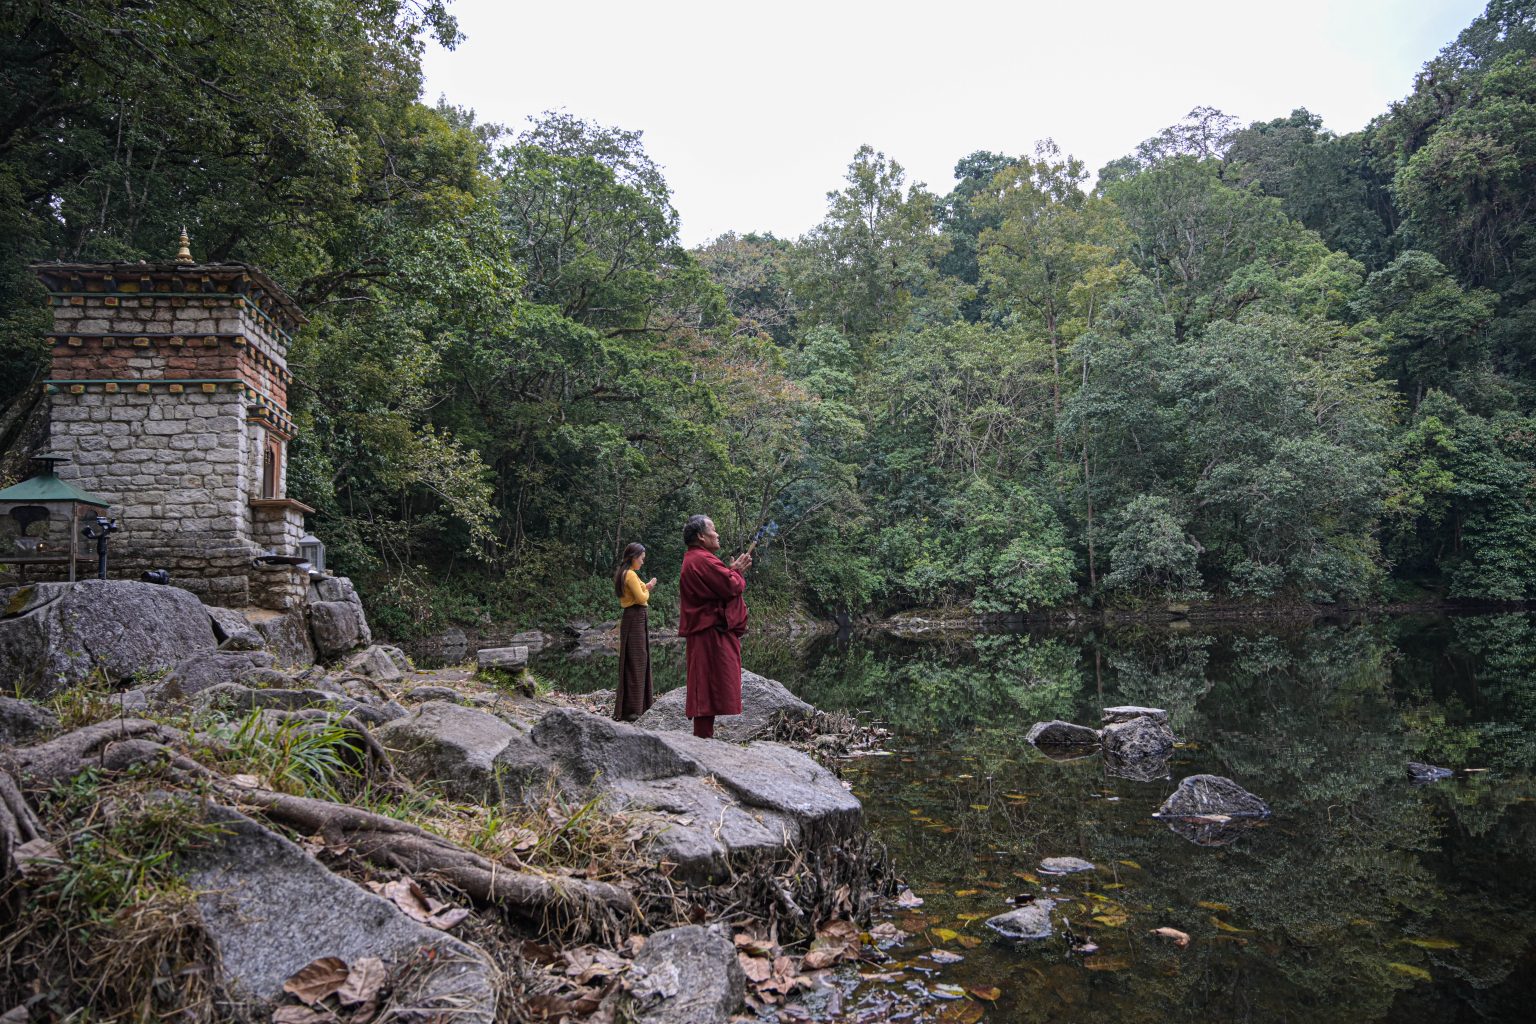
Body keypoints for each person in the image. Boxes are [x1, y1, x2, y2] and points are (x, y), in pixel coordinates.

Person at [677, 514, 751, 738]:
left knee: (707, 687)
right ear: (701, 536)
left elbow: (722, 582)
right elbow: (731, 585)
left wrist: (732, 571)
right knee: (706, 688)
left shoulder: (698, 558)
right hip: (708, 633)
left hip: (707, 631)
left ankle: (704, 739)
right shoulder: (702, 559)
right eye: (713, 529)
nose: (717, 534)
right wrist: (736, 572)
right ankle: (702, 742)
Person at [613, 542, 658, 721]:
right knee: (637, 661)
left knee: (636, 660)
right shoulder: (630, 574)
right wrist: (648, 591)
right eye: (641, 558)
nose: (642, 562)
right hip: (635, 617)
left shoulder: (628, 574)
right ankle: (634, 708)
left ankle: (637, 706)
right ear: (633, 557)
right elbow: (641, 598)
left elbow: (640, 590)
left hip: (633, 618)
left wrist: (646, 587)